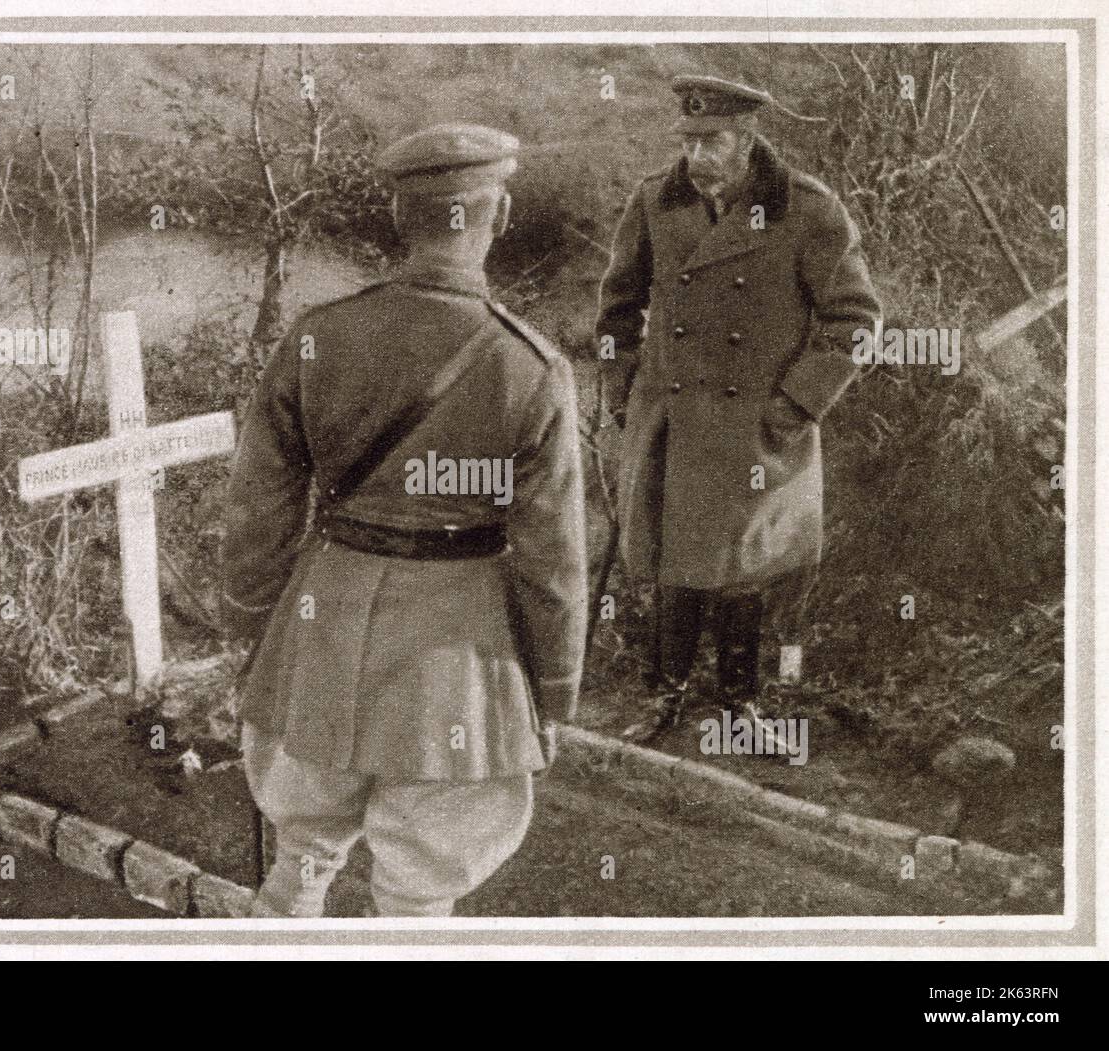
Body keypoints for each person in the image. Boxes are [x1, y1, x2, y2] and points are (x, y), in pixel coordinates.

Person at [219, 124, 588, 917]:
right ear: (501, 216)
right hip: (459, 660)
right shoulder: (532, 367)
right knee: (420, 891)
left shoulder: (318, 336)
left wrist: (251, 625)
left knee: (299, 856)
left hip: (320, 626)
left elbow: (258, 508)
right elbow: (553, 561)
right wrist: (554, 689)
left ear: (397, 214)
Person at [594, 75, 882, 742]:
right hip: (671, 417)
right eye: (689, 141)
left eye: (713, 141)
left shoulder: (806, 209)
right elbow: (616, 308)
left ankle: (739, 706)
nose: (696, 156)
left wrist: (795, 405)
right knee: (673, 556)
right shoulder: (654, 201)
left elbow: (855, 319)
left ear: (748, 139)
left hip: (757, 424)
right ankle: (664, 695)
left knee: (744, 566)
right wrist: (622, 389)